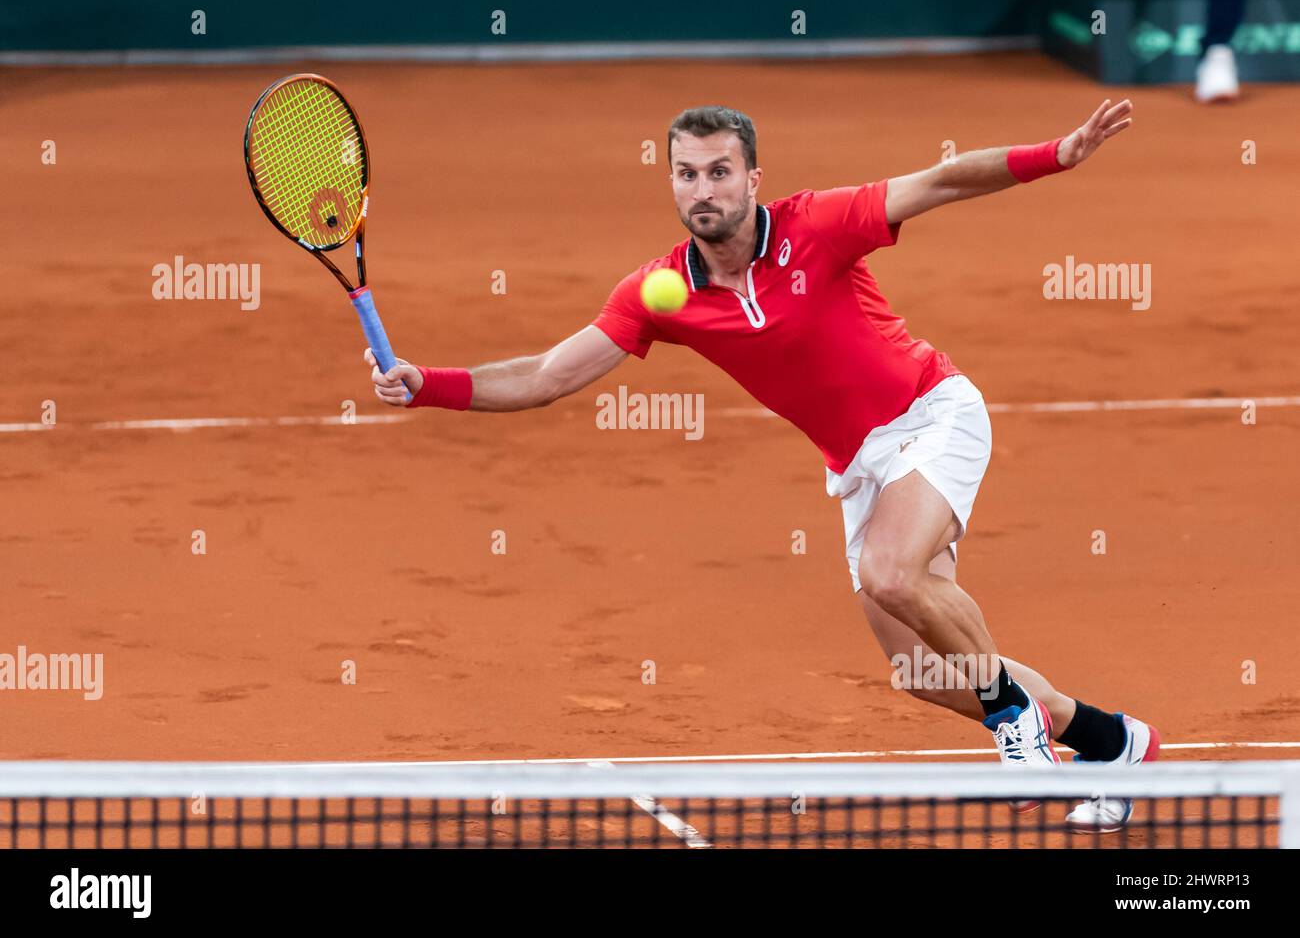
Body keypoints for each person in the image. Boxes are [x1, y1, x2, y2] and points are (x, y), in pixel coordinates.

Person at [367, 102, 1158, 832]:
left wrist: (1057, 153)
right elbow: (546, 375)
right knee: (918, 667)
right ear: (671, 181)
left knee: (891, 573)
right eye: (686, 173)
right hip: (857, 466)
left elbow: (941, 180)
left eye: (719, 171)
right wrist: (427, 383)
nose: (702, 188)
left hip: (931, 412)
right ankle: (1115, 742)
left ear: (752, 178)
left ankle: (1013, 715)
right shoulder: (664, 291)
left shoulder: (820, 223)